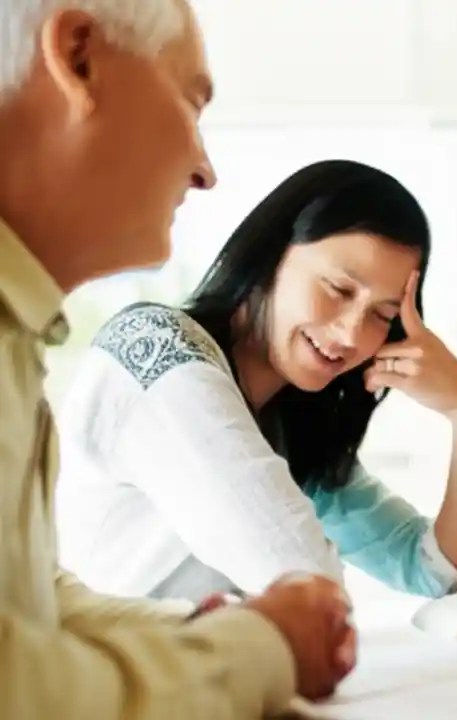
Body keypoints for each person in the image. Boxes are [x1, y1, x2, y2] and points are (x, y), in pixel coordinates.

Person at [0, 1, 354, 716]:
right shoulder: (161, 352)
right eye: (192, 103)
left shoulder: (21, 336)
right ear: (78, 57)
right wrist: (260, 648)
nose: (205, 169)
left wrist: (217, 633)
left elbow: (30, 608)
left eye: (384, 313)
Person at [56, 159, 457, 603]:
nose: (351, 334)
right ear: (271, 255)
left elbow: (445, 575)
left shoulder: (292, 430)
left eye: (381, 315)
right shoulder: (156, 350)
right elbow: (307, 585)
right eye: (339, 290)